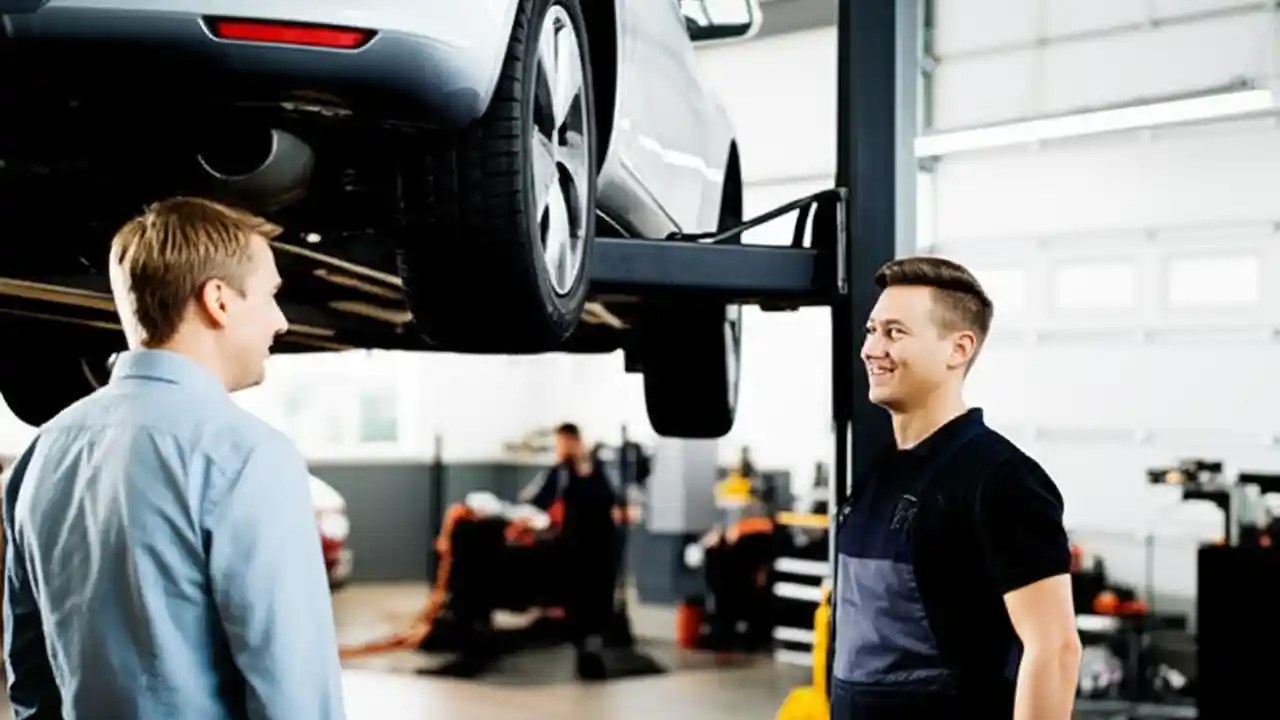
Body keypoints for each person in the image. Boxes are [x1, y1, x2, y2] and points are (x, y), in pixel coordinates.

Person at [2, 197, 346, 718]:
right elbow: (293, 692)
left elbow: (29, 677)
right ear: (219, 301)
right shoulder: (248, 457)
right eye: (272, 294)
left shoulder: (42, 452)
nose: (280, 321)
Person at [831, 256, 1080, 720]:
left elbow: (1055, 648)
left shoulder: (1001, 479)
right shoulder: (876, 477)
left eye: (895, 333)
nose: (871, 349)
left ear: (958, 349)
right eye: (871, 331)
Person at [515, 422, 621, 677]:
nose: (562, 446)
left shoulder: (598, 468)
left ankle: (595, 644)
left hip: (602, 543)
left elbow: (611, 499)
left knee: (600, 596)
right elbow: (538, 499)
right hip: (574, 543)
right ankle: (583, 645)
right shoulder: (560, 471)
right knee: (578, 596)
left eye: (565, 441)